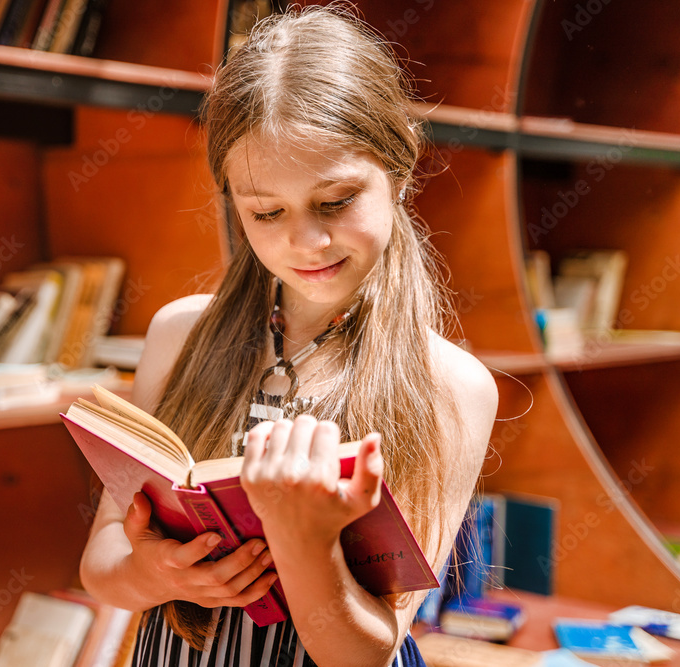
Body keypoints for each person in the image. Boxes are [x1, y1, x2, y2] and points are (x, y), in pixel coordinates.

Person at [78, 5, 498, 666]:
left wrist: (304, 542)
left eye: (335, 201)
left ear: (400, 166)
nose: (305, 241)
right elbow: (102, 559)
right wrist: (158, 575)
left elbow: (366, 650)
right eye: (266, 211)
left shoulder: (449, 383)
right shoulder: (179, 333)